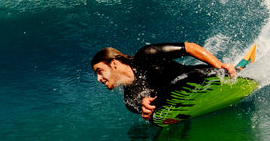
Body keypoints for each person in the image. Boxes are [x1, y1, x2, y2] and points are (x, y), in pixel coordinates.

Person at [91, 43, 237, 121]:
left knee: (182, 80)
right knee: (170, 90)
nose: (98, 79)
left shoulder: (147, 55)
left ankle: (235, 70)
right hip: (183, 96)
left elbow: (190, 47)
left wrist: (220, 65)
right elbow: (157, 116)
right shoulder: (130, 100)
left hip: (201, 76)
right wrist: (149, 112)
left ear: (114, 63)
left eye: (99, 71)